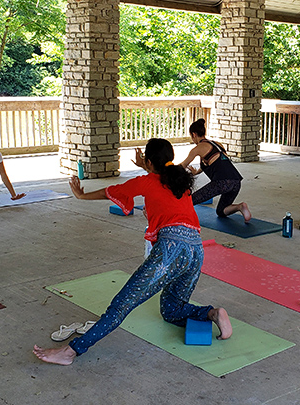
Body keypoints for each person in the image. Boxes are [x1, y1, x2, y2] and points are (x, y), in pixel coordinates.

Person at [33, 138, 232, 366]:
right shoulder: (179, 182)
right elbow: (158, 179)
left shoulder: (146, 181)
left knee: (122, 304)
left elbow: (112, 191)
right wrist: (146, 166)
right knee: (171, 310)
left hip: (171, 250)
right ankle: (212, 314)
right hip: (196, 250)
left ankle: (71, 351)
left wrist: (81, 196)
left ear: (149, 162)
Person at [178, 118, 251, 222]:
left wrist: (167, 169)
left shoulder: (198, 148)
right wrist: (197, 172)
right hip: (236, 182)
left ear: (194, 134)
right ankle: (240, 206)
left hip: (222, 182)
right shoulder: (217, 144)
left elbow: (183, 165)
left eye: (191, 137)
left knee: (190, 200)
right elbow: (216, 162)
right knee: (221, 211)